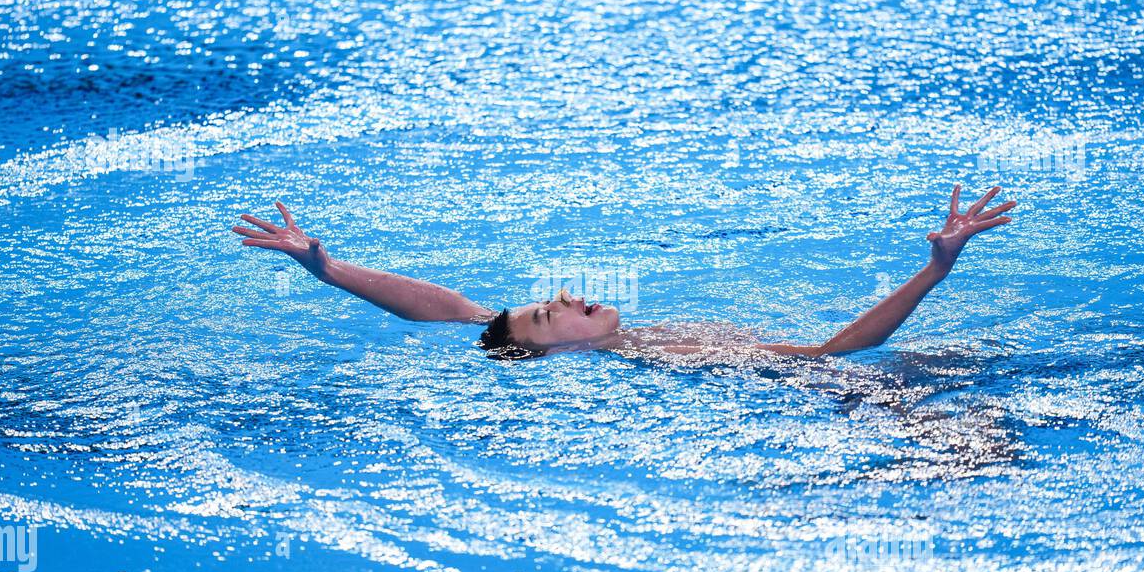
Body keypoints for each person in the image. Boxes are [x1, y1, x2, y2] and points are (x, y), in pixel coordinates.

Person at [232, 185, 1015, 360]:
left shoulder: (532, 341)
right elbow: (830, 358)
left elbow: (454, 309)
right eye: (551, 315)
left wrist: (327, 266)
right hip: (848, 400)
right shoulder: (660, 355)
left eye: (548, 300)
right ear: (556, 358)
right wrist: (934, 272)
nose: (566, 297)